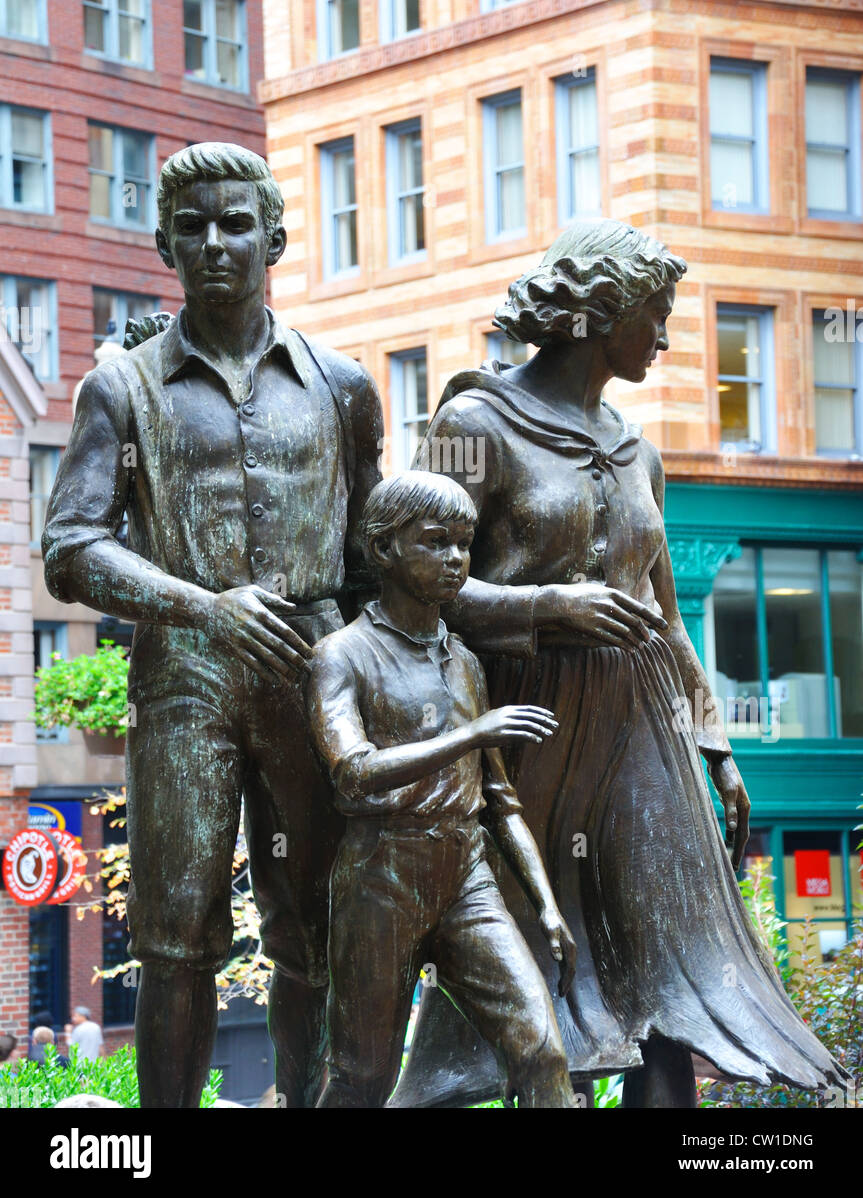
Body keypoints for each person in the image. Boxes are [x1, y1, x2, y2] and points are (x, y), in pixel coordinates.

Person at [394, 218, 845, 1108]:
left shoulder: (637, 447)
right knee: (525, 951)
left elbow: (667, 617)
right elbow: (406, 577)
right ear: (600, 315)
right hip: (529, 717)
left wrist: (714, 745)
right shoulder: (469, 420)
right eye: (657, 314)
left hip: (641, 719)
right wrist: (542, 606)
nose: (666, 337)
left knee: (667, 954)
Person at [42, 143, 384, 1109]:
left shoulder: (343, 386)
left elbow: (370, 561)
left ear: (275, 236)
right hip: (184, 677)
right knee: (175, 938)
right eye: (190, 227)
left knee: (316, 928)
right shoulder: (121, 387)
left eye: (236, 222)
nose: (215, 243)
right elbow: (69, 548)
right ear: (162, 244)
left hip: (316, 671)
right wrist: (201, 604)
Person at [306, 471, 578, 1108]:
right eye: (436, 542)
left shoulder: (465, 662)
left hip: (466, 879)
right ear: (383, 551)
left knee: (542, 1051)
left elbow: (500, 802)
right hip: (382, 877)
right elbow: (352, 771)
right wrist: (468, 735)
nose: (457, 559)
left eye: (465, 543)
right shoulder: (342, 655)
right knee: (361, 1079)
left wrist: (545, 903)